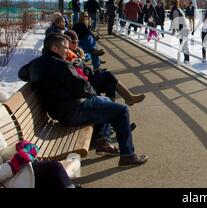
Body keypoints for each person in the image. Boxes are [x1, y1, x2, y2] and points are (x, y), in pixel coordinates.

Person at [17, 33, 148, 167]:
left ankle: (105, 138)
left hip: (60, 112)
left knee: (107, 102)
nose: (67, 51)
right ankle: (127, 155)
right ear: (55, 49)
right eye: (65, 48)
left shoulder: (35, 64)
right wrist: (94, 95)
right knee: (122, 110)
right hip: (74, 111)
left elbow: (21, 73)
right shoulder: (61, 65)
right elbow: (82, 88)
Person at [64, 30, 145, 107]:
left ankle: (111, 108)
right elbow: (76, 71)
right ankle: (128, 98)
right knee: (108, 75)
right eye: (74, 42)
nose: (76, 44)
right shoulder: (67, 54)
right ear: (67, 42)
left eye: (78, 41)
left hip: (87, 79)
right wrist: (86, 68)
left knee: (110, 84)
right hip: (84, 84)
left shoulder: (76, 51)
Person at [0, 135, 77, 188]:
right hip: (7, 180)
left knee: (54, 168)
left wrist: (18, 148)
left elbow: (2, 152)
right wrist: (13, 165)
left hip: (14, 173)